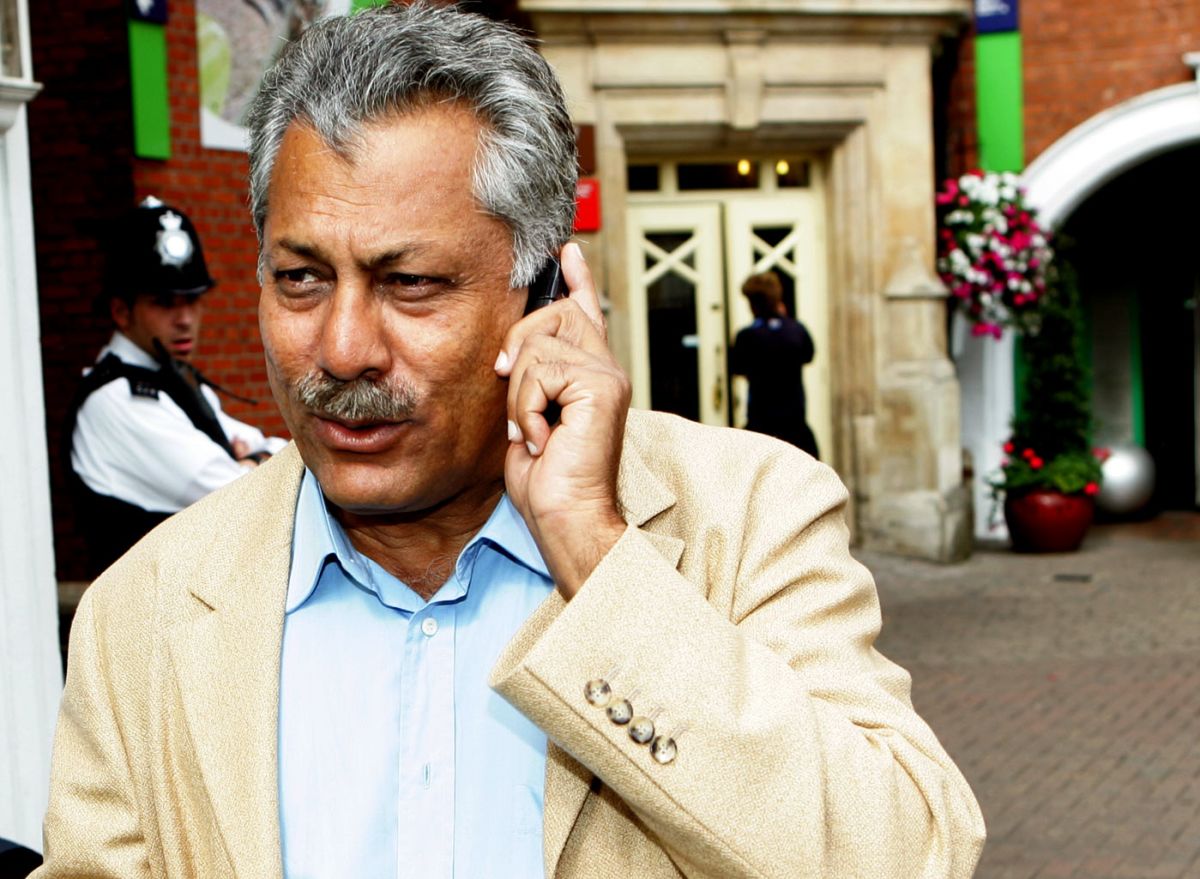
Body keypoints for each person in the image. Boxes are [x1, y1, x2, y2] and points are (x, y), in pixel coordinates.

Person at [36, 5, 985, 878]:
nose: (342, 348)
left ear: (546, 299)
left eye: (410, 283)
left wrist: (594, 548)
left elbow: (907, 853)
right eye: (300, 278)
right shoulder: (144, 611)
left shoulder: (752, 521)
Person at [65, 197, 287, 575]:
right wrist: (250, 464)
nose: (185, 319)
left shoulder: (172, 382)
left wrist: (256, 459)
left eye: (192, 300)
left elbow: (275, 450)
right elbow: (247, 496)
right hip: (144, 625)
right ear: (121, 311)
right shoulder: (118, 400)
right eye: (164, 303)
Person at [730, 270, 821, 458]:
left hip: (761, 423)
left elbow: (737, 368)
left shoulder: (747, 336)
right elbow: (809, 355)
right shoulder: (796, 329)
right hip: (795, 421)